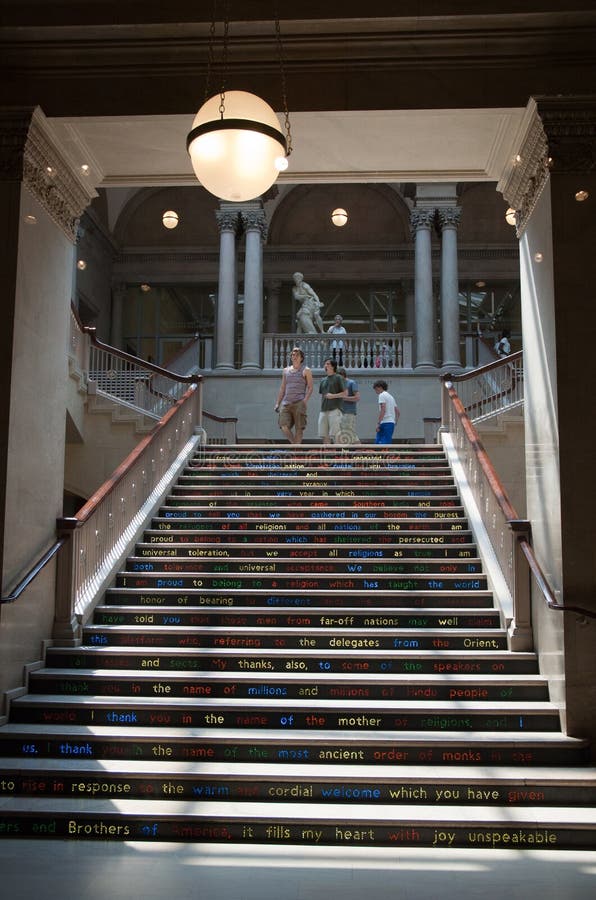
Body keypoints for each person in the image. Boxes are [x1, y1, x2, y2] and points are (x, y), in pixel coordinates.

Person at [274, 347, 314, 444]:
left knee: (299, 428)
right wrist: (277, 403)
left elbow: (310, 387)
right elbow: (282, 388)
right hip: (286, 402)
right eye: (292, 355)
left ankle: (296, 451)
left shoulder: (306, 370)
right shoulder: (286, 370)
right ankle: (295, 446)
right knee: (283, 425)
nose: (294, 357)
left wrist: (305, 401)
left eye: (297, 355)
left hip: (299, 402)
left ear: (301, 358)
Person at [318, 357, 347, 444]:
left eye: (328, 364)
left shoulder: (338, 378)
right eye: (325, 364)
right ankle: (328, 455)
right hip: (323, 410)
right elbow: (323, 395)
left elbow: (345, 393)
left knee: (336, 434)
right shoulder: (323, 380)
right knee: (324, 434)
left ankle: (338, 455)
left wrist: (333, 396)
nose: (325, 366)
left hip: (335, 409)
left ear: (333, 366)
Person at [338, 367, 360, 444]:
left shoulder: (351, 383)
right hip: (340, 412)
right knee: (346, 433)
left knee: (349, 433)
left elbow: (357, 398)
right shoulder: (340, 384)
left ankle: (362, 451)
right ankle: (360, 451)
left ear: (343, 375)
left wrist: (343, 398)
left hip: (349, 412)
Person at [373, 379, 399, 444]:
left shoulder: (382, 395)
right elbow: (398, 412)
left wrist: (378, 423)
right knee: (387, 443)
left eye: (376, 389)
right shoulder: (391, 397)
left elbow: (383, 409)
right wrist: (395, 421)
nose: (375, 391)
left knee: (379, 443)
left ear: (380, 387)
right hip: (391, 423)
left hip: (384, 423)